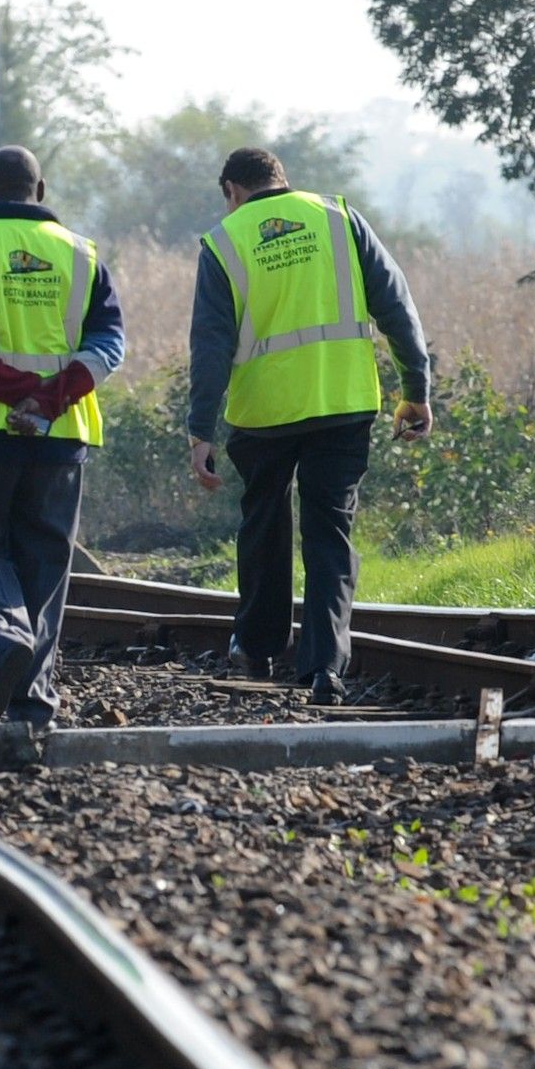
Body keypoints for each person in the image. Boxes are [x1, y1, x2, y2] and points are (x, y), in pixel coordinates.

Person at [188, 145, 432, 705]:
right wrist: (415, 391)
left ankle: (257, 645)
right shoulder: (338, 217)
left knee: (265, 523)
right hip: (343, 404)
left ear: (232, 191)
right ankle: (325, 668)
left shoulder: (224, 242)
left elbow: (211, 344)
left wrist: (200, 430)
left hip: (264, 415)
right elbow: (396, 305)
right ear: (282, 179)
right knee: (330, 533)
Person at [0, 145, 125, 727]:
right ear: (41, 191)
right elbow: (109, 344)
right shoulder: (84, 256)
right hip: (59, 439)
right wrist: (50, 397)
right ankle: (31, 702)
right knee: (44, 559)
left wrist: (15, 392)